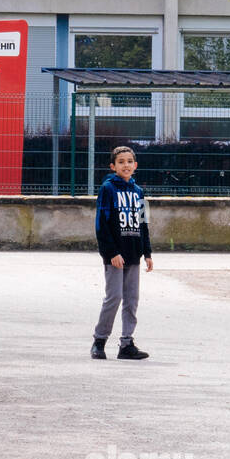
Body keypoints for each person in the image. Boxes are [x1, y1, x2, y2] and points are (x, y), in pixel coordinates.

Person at [91, 145, 153, 360]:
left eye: (129, 161)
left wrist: (148, 253)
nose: (125, 165)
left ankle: (126, 343)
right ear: (113, 166)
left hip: (134, 253)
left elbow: (144, 224)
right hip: (115, 256)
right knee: (114, 297)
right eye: (121, 162)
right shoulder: (108, 189)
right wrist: (111, 253)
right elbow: (102, 225)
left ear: (135, 165)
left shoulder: (139, 192)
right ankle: (99, 340)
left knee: (131, 299)